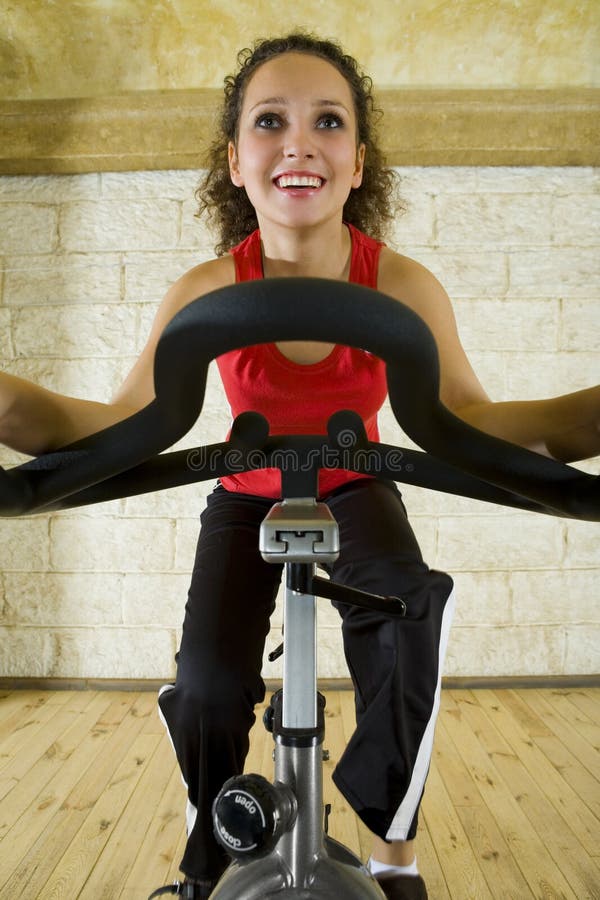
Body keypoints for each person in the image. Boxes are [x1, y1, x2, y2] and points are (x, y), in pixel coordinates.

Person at [1, 31, 598, 900]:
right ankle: (207, 856)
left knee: (406, 615)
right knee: (206, 686)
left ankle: (394, 853)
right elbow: (113, 425)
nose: (298, 143)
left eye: (328, 121)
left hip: (357, 482)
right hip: (246, 495)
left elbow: (473, 421)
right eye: (269, 121)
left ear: (358, 163)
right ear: (235, 161)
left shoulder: (401, 285)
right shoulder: (207, 290)